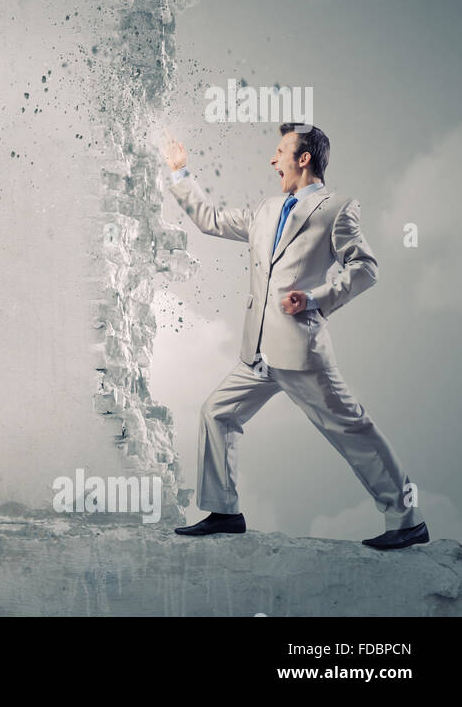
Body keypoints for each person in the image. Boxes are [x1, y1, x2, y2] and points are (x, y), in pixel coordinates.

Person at [162, 123, 428, 550]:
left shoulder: (337, 207)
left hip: (302, 353)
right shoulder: (267, 209)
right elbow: (211, 220)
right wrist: (180, 173)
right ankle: (225, 512)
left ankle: (408, 519)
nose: (272, 159)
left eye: (280, 151)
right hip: (258, 355)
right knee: (216, 413)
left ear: (303, 158)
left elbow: (365, 268)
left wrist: (316, 298)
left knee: (353, 430)